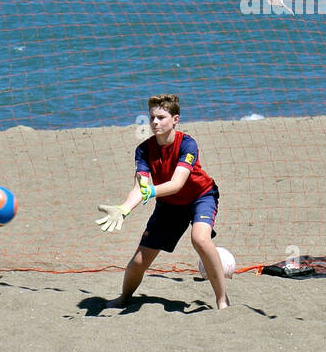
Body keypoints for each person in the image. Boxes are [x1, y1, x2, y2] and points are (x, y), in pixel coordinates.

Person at [96, 94, 228, 310]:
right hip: (169, 206)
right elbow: (141, 186)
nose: (155, 122)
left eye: (161, 117)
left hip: (200, 197)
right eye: (152, 118)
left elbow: (176, 183)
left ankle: (222, 300)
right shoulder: (144, 150)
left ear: (175, 119)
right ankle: (124, 298)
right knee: (138, 262)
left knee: (200, 240)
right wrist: (124, 209)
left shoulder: (187, 144)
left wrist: (150, 192)